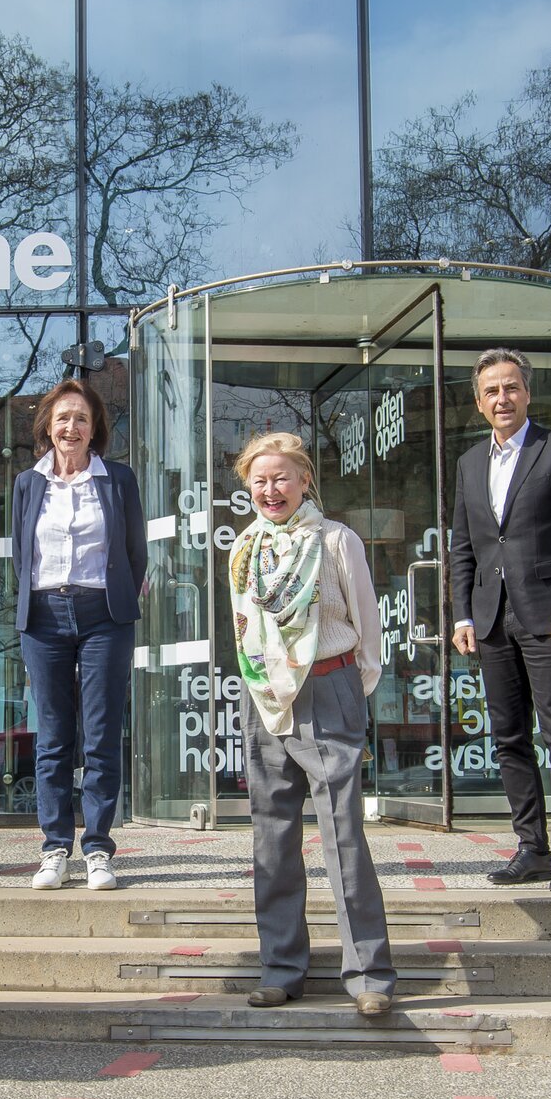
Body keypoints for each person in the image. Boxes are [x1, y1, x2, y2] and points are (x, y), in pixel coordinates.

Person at [229, 433, 395, 1016]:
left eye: (282, 478)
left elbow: (367, 627)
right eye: (260, 481)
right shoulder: (244, 547)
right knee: (272, 834)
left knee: (343, 831)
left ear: (305, 481)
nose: (271, 490)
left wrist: (347, 689)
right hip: (265, 696)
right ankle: (281, 969)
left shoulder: (336, 540)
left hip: (329, 685)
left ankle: (369, 975)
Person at [448, 348, 551, 895]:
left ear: (528, 393)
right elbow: (463, 547)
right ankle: (531, 849)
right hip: (492, 618)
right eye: (491, 391)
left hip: (550, 616)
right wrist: (462, 614)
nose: (502, 398)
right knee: (509, 737)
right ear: (478, 403)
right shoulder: (469, 463)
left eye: (511, 387)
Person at [11, 379, 147, 892]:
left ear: (95, 429)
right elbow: (22, 554)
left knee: (101, 734)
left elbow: (135, 552)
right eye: (63, 418)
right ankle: (53, 849)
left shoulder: (118, 479)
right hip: (44, 616)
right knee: (52, 737)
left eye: (82, 419)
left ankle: (98, 849)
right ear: (48, 426)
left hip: (103, 616)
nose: (72, 427)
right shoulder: (28, 483)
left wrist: (118, 598)